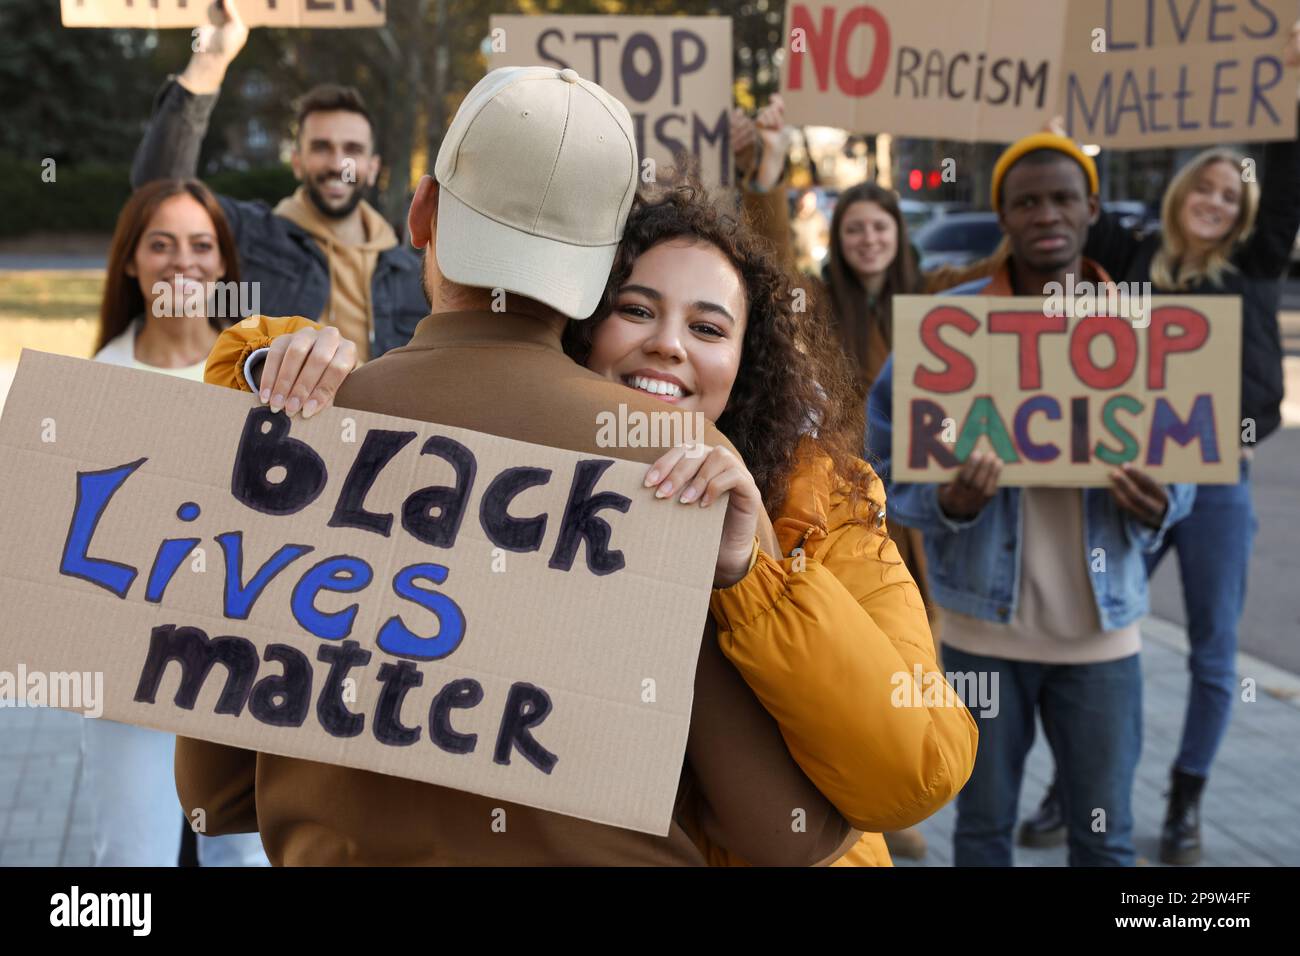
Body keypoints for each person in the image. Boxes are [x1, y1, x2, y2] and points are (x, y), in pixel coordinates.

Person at [177, 65, 860, 866]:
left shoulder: (295, 430)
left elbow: (213, 795)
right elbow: (790, 835)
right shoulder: (683, 464)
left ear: (423, 212)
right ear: (608, 266)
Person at [867, 133, 1196, 866]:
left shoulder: (1146, 328)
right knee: (981, 835)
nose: (1046, 213)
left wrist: (1160, 504)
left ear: (1091, 209)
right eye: (1027, 201)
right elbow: (882, 474)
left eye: (1061, 198)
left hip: (1103, 640)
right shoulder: (944, 330)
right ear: (1004, 217)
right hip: (982, 635)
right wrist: (948, 502)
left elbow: (1188, 472)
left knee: (1104, 841)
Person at [1020, 30, 1300, 864]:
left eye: (1230, 191)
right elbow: (1066, 203)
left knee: (1215, 652)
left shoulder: (1251, 265)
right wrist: (1057, 115)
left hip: (1217, 482)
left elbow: (1286, 187)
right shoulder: (1127, 255)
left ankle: (1184, 803)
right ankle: (1073, 789)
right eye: (1203, 185)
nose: (1215, 198)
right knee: (1094, 637)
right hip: (1123, 476)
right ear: (1180, 191)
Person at [85, 177, 270, 868]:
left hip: (239, 670)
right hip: (123, 675)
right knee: (130, 859)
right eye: (160, 244)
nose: (181, 262)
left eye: (200, 244)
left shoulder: (259, 374)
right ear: (130, 260)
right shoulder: (92, 383)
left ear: (223, 262)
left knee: (242, 860)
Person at [131, 0, 426, 362]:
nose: (336, 163)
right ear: (298, 162)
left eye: (351, 149)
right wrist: (209, 64)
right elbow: (160, 192)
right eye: (321, 147)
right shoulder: (251, 238)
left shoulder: (414, 276)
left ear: (372, 166)